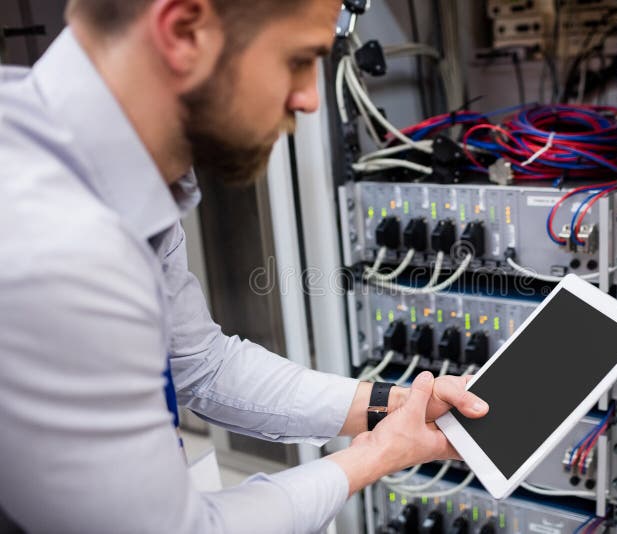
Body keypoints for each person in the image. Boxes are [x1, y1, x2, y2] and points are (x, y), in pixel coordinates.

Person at [0, 0, 490, 532]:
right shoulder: (53, 243)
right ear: (183, 30)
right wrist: (374, 458)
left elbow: (202, 365)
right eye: (298, 60)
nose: (309, 100)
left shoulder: (115, 182)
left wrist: (397, 406)